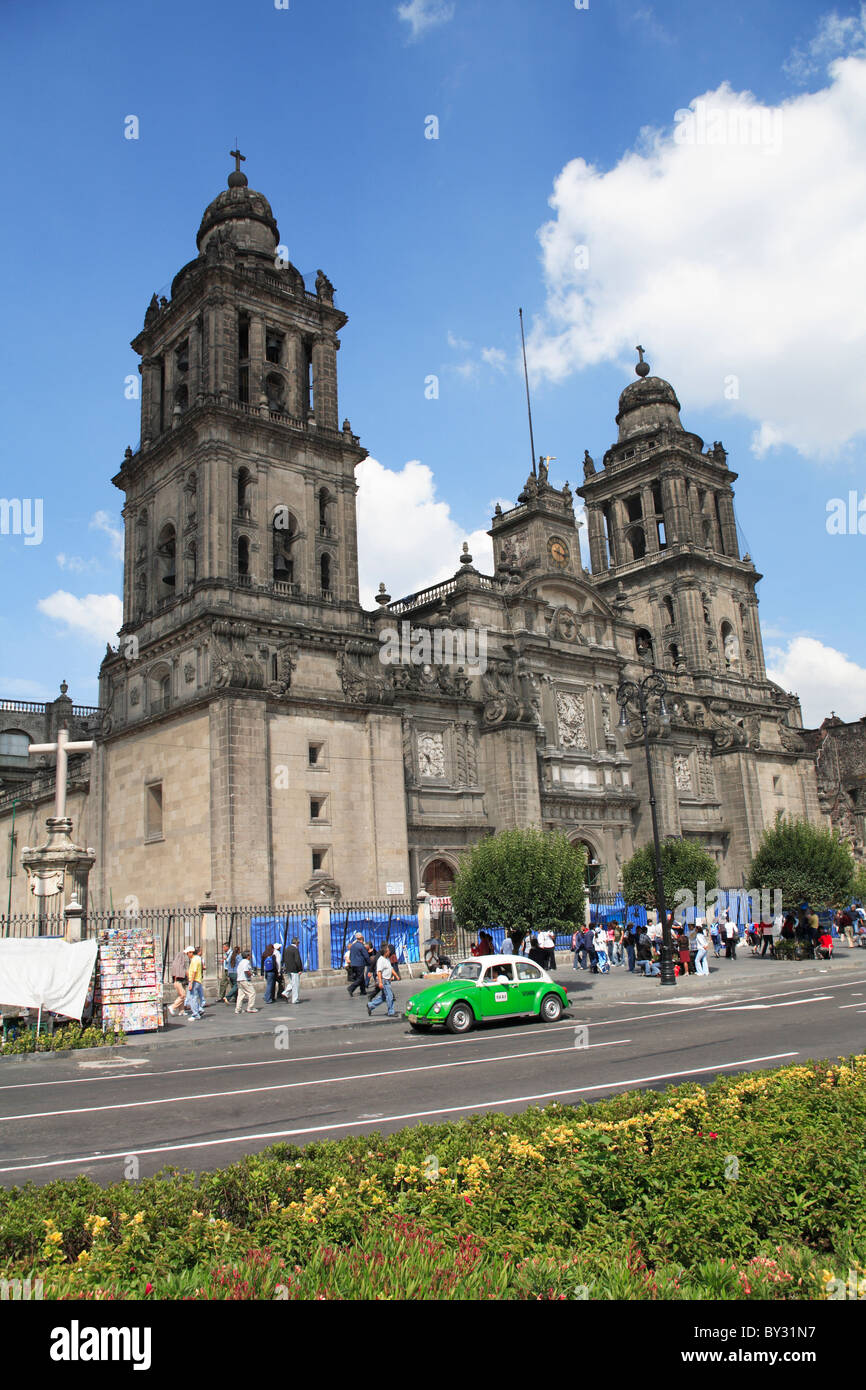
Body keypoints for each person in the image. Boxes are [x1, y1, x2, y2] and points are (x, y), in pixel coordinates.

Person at [367, 942, 397, 1017]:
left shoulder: (387, 959)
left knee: (384, 997)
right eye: (388, 951)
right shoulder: (381, 960)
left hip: (387, 980)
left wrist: (395, 975)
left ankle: (371, 1005)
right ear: (386, 952)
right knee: (390, 996)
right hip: (384, 980)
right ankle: (391, 1012)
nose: (390, 952)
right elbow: (379, 972)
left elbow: (390, 968)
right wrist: (380, 982)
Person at [235, 949, 258, 1014]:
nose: (250, 956)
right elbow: (246, 970)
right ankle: (250, 1007)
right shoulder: (246, 962)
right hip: (244, 980)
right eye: (250, 955)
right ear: (248, 956)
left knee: (241, 995)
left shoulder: (241, 962)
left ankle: (238, 1009)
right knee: (252, 993)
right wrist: (251, 974)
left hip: (239, 980)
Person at [185, 945, 205, 1020]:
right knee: (194, 997)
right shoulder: (198, 958)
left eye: (187, 953)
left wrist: (190, 983)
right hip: (198, 980)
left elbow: (194, 971)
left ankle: (195, 1014)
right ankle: (199, 1009)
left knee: (192, 997)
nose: (187, 955)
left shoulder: (194, 960)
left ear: (191, 952)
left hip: (195, 980)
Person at [282, 936, 303, 1003]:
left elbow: (284, 959)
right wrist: (300, 969)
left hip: (288, 968)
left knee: (291, 983)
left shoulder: (287, 949)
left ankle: (285, 993)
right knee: (295, 984)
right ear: (296, 942)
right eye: (298, 943)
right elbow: (297, 960)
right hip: (294, 969)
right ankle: (295, 999)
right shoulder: (295, 949)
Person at [168, 947, 189, 1016]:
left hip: (178, 981)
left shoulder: (176, 964)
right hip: (178, 981)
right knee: (183, 995)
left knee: (181, 995)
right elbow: (178, 974)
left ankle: (181, 1010)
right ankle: (173, 1007)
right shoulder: (178, 965)